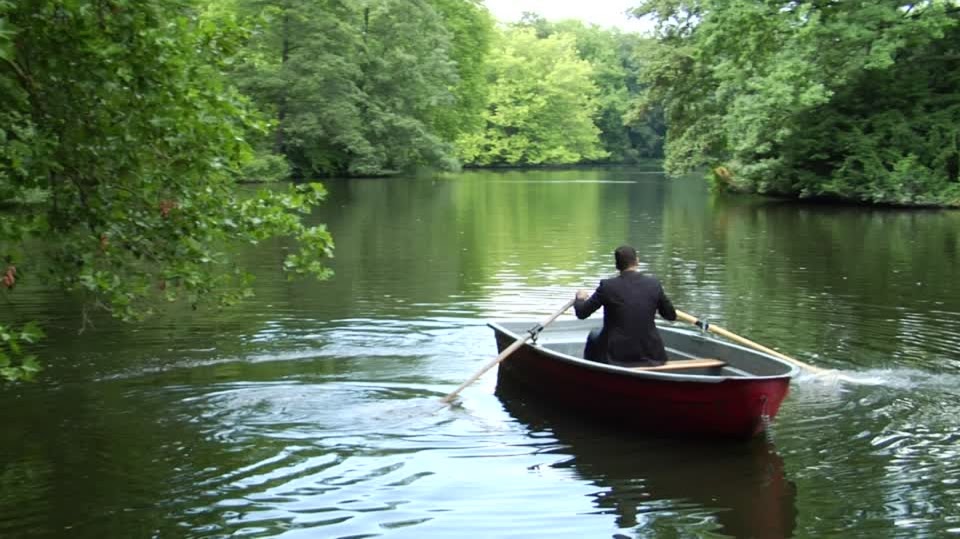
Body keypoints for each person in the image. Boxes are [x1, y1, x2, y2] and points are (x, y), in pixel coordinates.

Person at [574, 245, 677, 366]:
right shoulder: (654, 284)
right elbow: (670, 315)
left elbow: (582, 313)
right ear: (637, 261)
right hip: (652, 355)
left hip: (617, 356)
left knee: (593, 335)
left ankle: (590, 372)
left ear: (617, 265)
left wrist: (580, 299)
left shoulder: (607, 286)